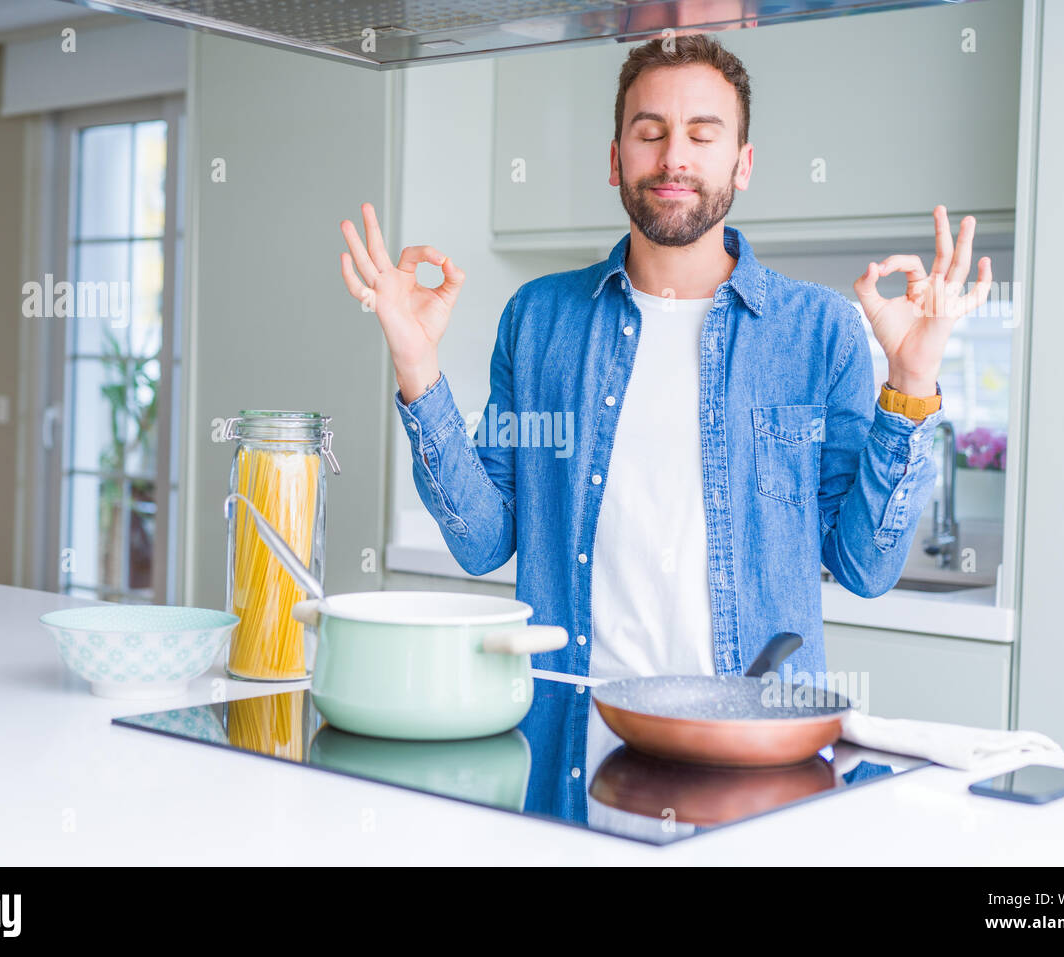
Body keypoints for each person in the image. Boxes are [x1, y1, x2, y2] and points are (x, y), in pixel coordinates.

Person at [338, 34, 990, 820]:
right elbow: (483, 539)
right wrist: (416, 361)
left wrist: (912, 381)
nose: (674, 156)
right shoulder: (540, 321)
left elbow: (865, 565)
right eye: (650, 132)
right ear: (616, 158)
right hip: (570, 761)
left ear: (742, 163)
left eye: (703, 134)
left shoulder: (820, 333)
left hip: (754, 772)